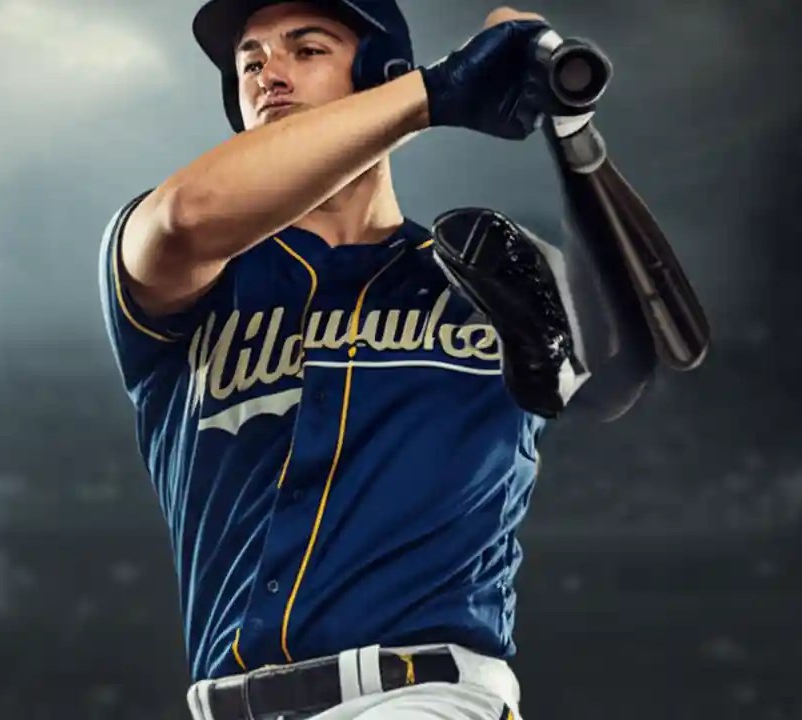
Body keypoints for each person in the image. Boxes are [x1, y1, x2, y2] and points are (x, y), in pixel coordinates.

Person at [97, 1, 658, 717]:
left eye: (307, 49)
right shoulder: (188, 266)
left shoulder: (485, 277)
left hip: (423, 695)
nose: (269, 74)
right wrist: (438, 90)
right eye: (250, 61)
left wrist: (570, 128)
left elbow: (623, 366)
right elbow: (189, 214)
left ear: (381, 69)